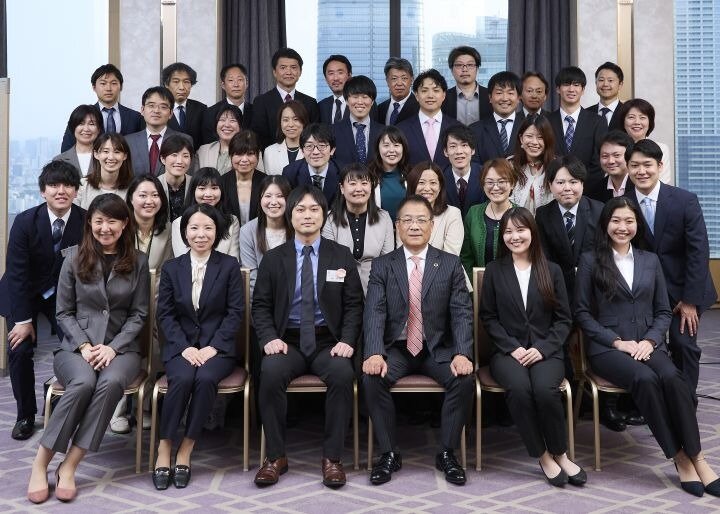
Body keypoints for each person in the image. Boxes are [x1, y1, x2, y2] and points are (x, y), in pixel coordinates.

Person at [574, 197, 720, 498]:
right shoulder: (590, 260)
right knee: (645, 379)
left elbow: (663, 311)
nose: (622, 227)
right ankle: (679, 456)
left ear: (637, 225)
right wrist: (617, 342)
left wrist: (650, 341)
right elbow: (582, 314)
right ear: (605, 224)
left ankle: (698, 457)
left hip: (647, 344)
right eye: (616, 220)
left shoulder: (650, 260)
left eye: (629, 221)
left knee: (674, 378)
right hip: (608, 349)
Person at [25, 194, 149, 504]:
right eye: (98, 221)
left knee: (111, 382)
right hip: (74, 347)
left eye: (112, 221)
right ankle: (40, 464)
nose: (105, 228)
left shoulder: (138, 261)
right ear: (89, 223)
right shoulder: (73, 258)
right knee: (82, 383)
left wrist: (112, 348)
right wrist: (83, 344)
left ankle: (69, 465)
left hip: (122, 350)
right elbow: (63, 312)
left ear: (124, 224)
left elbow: (139, 314)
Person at [252, 185, 363, 488]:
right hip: (286, 340)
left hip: (329, 341)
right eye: (300, 209)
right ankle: (275, 457)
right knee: (270, 373)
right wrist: (269, 338)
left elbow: (354, 305)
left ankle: (333, 458)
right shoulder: (274, 258)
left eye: (314, 209)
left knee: (342, 375)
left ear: (324, 215)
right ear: (290, 215)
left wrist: (347, 341)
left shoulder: (340, 255)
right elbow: (260, 305)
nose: (307, 215)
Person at [362, 194, 474, 485]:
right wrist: (374, 352)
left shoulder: (450, 264)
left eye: (421, 220)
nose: (414, 226)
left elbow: (461, 313)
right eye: (408, 220)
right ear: (397, 226)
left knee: (463, 379)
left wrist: (462, 353)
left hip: (436, 348)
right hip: (397, 348)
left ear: (432, 225)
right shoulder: (383, 265)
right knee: (372, 378)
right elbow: (374, 310)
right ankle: (388, 453)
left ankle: (447, 453)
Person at [480, 207, 584, 487]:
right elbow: (488, 317)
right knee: (519, 390)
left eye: (520, 230)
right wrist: (511, 347)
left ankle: (560, 453)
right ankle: (542, 455)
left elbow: (564, 319)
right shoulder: (494, 271)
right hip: (507, 352)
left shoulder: (552, 270)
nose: (514, 237)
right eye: (508, 232)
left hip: (545, 349)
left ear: (532, 232)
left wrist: (543, 348)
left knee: (545, 390)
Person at [152, 203, 244, 490]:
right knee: (181, 378)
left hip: (218, 349)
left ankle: (186, 448)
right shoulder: (172, 268)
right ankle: (165, 446)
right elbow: (165, 314)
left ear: (217, 232)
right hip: (181, 347)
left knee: (205, 379)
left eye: (208, 228)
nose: (200, 234)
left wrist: (213, 347)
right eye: (194, 227)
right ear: (184, 232)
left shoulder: (228, 266)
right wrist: (183, 347)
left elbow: (235, 313)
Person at [0, 161, 85, 441]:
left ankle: (60, 399)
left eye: (68, 185)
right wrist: (23, 320)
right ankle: (25, 414)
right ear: (42, 191)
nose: (61, 191)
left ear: (76, 191)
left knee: (75, 344)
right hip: (23, 292)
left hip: (62, 294)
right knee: (19, 349)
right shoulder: (25, 221)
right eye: (53, 185)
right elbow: (16, 273)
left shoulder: (85, 221)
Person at [624, 139, 716, 397]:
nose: (641, 171)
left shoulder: (684, 200)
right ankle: (648, 403)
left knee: (683, 344)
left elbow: (698, 252)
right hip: (644, 293)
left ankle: (686, 404)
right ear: (627, 168)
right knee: (643, 347)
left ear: (660, 166)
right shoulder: (623, 204)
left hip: (684, 292)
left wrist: (690, 300)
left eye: (647, 165)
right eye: (635, 165)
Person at [535, 155, 603, 299]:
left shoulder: (599, 211)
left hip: (593, 288)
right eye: (560, 182)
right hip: (557, 289)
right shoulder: (543, 215)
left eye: (573, 182)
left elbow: (603, 253)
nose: (567, 188)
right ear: (550, 185)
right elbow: (544, 257)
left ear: (582, 184)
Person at [322, 163, 394, 293]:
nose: (359, 189)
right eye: (352, 183)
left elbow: (387, 260)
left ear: (371, 187)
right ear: (342, 188)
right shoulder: (329, 218)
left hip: (376, 286)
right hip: (340, 289)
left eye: (364, 183)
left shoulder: (384, 218)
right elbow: (329, 260)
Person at [547, 66, 607, 192]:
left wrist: (578, 187)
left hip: (588, 191)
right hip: (553, 191)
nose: (571, 89)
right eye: (566, 84)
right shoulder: (547, 121)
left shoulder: (597, 121)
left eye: (576, 85)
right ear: (558, 89)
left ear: (583, 89)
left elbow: (599, 162)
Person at [60, 64, 143, 152]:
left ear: (121, 87)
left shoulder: (135, 117)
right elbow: (66, 150)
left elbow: (142, 148)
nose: (108, 88)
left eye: (113, 83)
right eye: (103, 83)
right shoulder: (81, 116)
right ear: (94, 87)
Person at [251, 47, 320, 150]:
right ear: (274, 72)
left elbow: (315, 136)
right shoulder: (261, 102)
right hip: (271, 157)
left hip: (304, 156)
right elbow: (258, 137)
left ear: (300, 72)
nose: (288, 72)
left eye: (293, 67)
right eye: (283, 68)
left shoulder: (310, 103)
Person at [460, 158, 517, 277]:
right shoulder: (473, 213)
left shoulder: (521, 215)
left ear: (512, 184)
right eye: (490, 182)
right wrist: (473, 284)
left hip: (513, 284)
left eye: (501, 181)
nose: (495, 187)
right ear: (483, 185)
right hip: (479, 284)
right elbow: (466, 256)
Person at [239, 176, 293, 296]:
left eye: (280, 196)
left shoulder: (298, 228)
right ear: (260, 199)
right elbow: (251, 277)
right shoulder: (247, 231)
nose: (273, 202)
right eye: (268, 196)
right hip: (261, 299)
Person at [171, 167, 240, 260]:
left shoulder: (232, 221)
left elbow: (233, 260)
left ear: (221, 191)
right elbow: (181, 260)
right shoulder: (179, 223)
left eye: (214, 188)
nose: (208, 194)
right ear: (193, 191)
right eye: (202, 188)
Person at [397, 69, 460, 169]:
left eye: (436, 90)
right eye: (424, 91)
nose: (430, 95)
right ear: (416, 95)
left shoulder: (457, 127)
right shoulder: (401, 129)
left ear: (444, 95)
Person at [125, 86, 194, 176]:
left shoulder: (184, 140)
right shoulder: (128, 141)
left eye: (163, 107)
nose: (156, 110)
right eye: (151, 106)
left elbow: (187, 176)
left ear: (171, 113)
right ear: (142, 110)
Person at [405, 162, 463, 255]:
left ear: (440, 187)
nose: (427, 188)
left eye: (433, 183)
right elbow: (402, 254)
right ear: (413, 185)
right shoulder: (404, 215)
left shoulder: (452, 214)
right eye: (421, 182)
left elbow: (451, 256)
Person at [613, 98, 673, 184]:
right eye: (631, 117)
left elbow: (663, 181)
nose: (637, 122)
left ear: (650, 122)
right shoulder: (614, 149)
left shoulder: (661, 148)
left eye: (642, 117)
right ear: (623, 122)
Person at [469, 71, 524, 164]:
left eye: (510, 93)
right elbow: (473, 166)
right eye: (499, 93)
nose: (505, 98)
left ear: (519, 98)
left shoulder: (529, 127)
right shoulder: (475, 130)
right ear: (490, 97)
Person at [282, 123, 343, 206]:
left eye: (322, 146)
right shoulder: (290, 173)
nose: (315, 152)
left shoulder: (343, 171)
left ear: (332, 150)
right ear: (302, 151)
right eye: (309, 146)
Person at [331, 75, 384, 166]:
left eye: (365, 97)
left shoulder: (384, 132)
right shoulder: (333, 131)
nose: (360, 102)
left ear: (372, 101)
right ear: (346, 100)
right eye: (355, 97)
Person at [126, 174, 172, 273]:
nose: (149, 201)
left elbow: (165, 270)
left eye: (155, 195)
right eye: (143, 195)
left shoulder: (168, 229)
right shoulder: (121, 228)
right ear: (131, 199)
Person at [509, 116, 555, 214]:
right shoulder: (509, 166)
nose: (534, 142)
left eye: (540, 137)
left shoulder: (557, 167)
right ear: (521, 138)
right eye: (529, 136)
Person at [75, 133, 134, 209]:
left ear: (125, 156)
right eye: (106, 151)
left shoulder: (134, 187)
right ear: (96, 154)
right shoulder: (83, 185)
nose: (111, 157)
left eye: (117, 152)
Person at [220, 130, 267, 225]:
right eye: (239, 154)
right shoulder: (221, 182)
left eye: (250, 154)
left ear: (258, 156)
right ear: (231, 156)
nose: (244, 159)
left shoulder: (267, 182)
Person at [202, 63, 254, 144]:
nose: (236, 85)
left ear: (246, 83)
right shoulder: (210, 112)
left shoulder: (256, 111)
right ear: (223, 85)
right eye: (231, 80)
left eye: (240, 80)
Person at [442, 124, 486, 218]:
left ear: (473, 150)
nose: (459, 151)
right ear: (445, 151)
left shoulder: (485, 174)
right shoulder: (439, 177)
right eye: (453, 146)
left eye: (464, 145)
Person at [441, 45, 492, 125]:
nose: (465, 69)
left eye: (470, 65)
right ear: (451, 70)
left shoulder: (491, 96)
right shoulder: (443, 98)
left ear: (477, 69)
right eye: (459, 65)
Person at [368, 126, 410, 221]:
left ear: (403, 148)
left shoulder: (411, 174)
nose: (391, 150)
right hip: (377, 228)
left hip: (407, 228)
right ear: (378, 148)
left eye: (396, 145)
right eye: (386, 145)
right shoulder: (368, 176)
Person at [162, 62, 207, 150]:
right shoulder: (158, 110)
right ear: (166, 84)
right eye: (176, 82)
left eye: (186, 82)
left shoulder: (201, 109)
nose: (181, 87)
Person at [585, 130, 635, 203]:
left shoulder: (639, 184)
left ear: (629, 156)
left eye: (616, 155)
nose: (611, 161)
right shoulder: (595, 190)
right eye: (605, 156)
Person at [54, 105, 104, 176]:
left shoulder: (106, 158)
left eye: (91, 124)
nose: (86, 129)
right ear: (73, 128)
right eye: (81, 124)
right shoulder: (59, 160)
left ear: (99, 129)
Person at [263, 100, 308, 175]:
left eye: (296, 119)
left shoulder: (313, 150)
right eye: (285, 120)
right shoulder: (269, 152)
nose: (290, 124)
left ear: (304, 122)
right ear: (280, 123)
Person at [197, 104, 243, 174]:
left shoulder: (251, 151)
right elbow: (195, 178)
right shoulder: (203, 151)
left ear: (240, 127)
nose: (227, 125)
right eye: (222, 120)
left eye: (232, 120)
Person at [158, 135, 195, 222]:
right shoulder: (154, 185)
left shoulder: (195, 184)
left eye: (185, 156)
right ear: (163, 159)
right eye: (174, 155)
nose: (179, 161)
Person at [376, 57, 418, 126]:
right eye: (394, 78)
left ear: (412, 80)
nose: (399, 83)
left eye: (404, 78)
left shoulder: (420, 107)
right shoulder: (380, 109)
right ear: (387, 81)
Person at [588, 62, 624, 128]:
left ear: (620, 85)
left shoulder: (627, 113)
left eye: (610, 80)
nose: (605, 84)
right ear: (596, 83)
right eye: (601, 80)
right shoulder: (586, 113)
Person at [318, 54, 352, 124]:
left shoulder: (362, 103)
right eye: (331, 73)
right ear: (326, 78)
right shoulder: (321, 106)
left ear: (349, 75)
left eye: (340, 73)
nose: (336, 78)